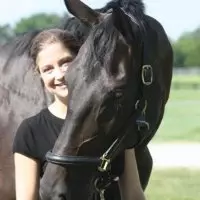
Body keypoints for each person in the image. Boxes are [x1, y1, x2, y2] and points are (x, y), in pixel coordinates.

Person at [13, 28, 146, 200]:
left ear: (82, 62)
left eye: (65, 62)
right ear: (39, 75)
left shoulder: (114, 123)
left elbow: (134, 195)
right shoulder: (30, 131)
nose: (59, 75)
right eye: (47, 69)